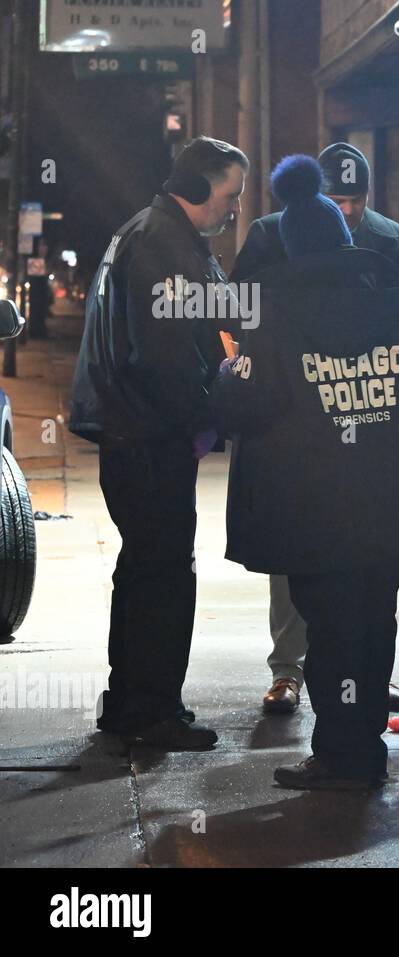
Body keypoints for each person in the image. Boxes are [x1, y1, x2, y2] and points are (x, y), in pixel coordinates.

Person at [213, 155, 399, 789]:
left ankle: (344, 757)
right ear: (345, 243)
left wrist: (224, 376)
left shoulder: (271, 321)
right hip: (392, 507)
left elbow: (240, 406)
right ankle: (364, 746)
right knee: (375, 620)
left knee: (331, 631)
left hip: (313, 507)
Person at [68, 136, 248, 751]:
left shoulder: (154, 234)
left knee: (147, 571)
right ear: (197, 190)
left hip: (135, 433)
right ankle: (151, 714)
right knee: (164, 574)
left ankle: (134, 704)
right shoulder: (162, 245)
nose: (233, 209)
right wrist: (207, 418)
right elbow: (165, 359)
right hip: (148, 438)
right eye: (230, 195)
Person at [230, 142, 399, 717]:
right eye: (337, 201)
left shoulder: (389, 238)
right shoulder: (269, 233)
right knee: (295, 558)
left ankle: (360, 677)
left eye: (355, 201)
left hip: (360, 419)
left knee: (365, 558)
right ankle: (289, 670)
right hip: (294, 425)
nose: (348, 212)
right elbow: (237, 312)